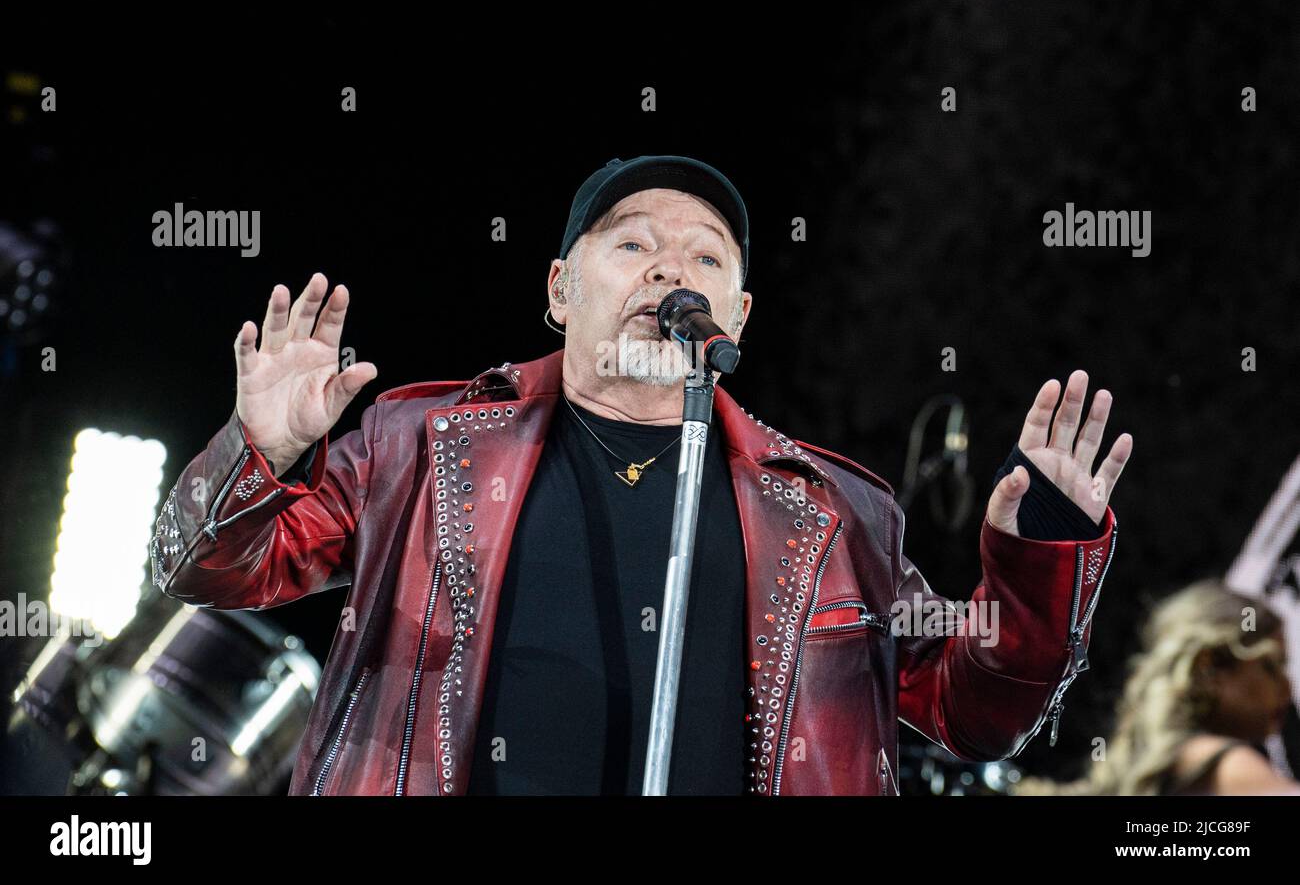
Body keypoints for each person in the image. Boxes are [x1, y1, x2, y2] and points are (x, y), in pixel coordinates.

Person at [150, 154, 1132, 795]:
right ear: (558, 287)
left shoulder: (836, 514)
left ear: (735, 316)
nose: (671, 269)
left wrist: (1038, 563)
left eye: (704, 255)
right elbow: (215, 571)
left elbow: (973, 711)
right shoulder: (420, 440)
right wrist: (261, 450)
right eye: (632, 244)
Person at [1013, 579, 1299, 795]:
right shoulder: (1221, 764)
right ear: (1209, 666)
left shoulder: (1149, 773)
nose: (1287, 687)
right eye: (1272, 666)